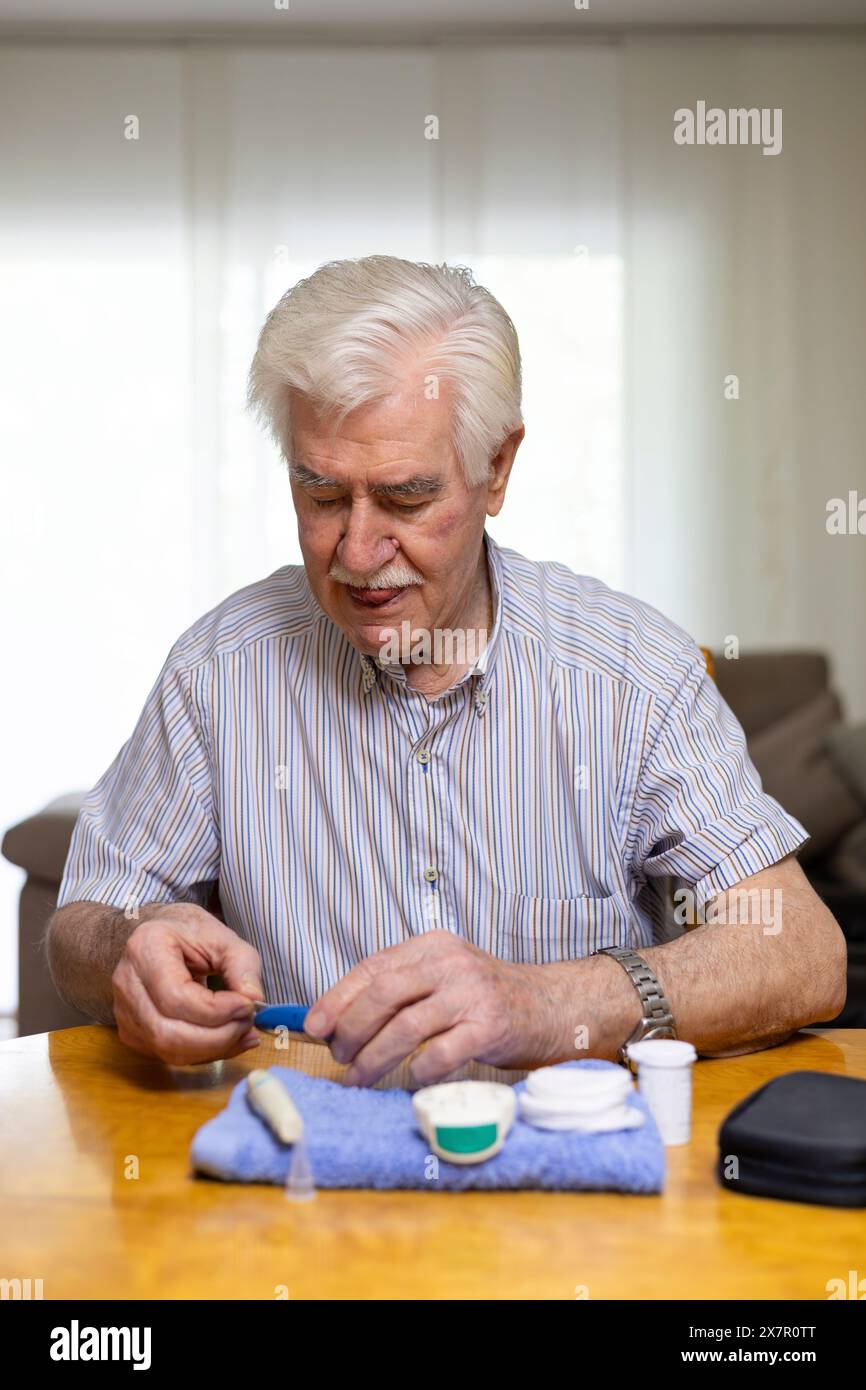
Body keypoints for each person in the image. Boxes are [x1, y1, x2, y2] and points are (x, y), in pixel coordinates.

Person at [47, 255, 846, 1084]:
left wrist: (548, 1003)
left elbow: (800, 951)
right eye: (321, 496)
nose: (357, 554)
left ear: (497, 468)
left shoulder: (634, 677)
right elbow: (80, 923)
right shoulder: (215, 675)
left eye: (404, 499)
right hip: (299, 1185)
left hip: (572, 1191)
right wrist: (125, 951)